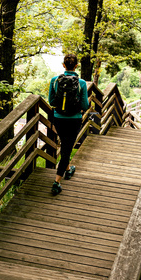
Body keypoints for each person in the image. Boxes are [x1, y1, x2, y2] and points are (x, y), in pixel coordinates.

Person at [48, 53, 89, 196]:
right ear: (76, 66)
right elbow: (85, 104)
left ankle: (68, 169)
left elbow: (51, 102)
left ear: (63, 65)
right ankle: (57, 182)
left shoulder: (55, 80)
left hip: (58, 118)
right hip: (74, 119)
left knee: (65, 145)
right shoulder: (82, 83)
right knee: (66, 149)